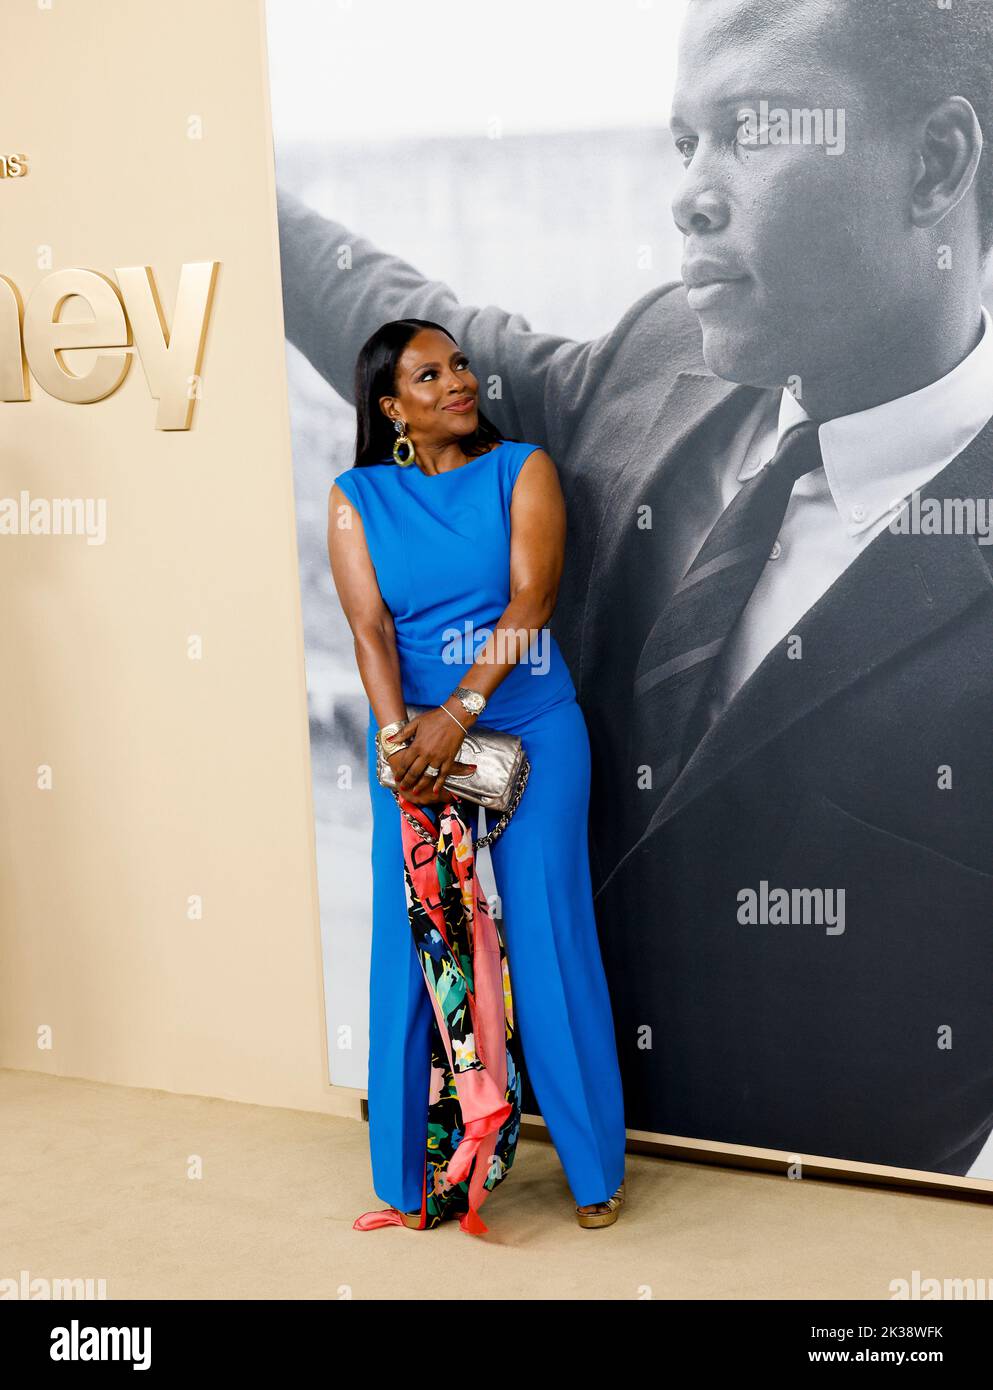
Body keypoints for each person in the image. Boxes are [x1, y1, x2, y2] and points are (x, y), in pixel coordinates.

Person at [281, 0, 993, 1176]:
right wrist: (224, 203)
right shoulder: (664, 356)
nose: (693, 192)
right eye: (684, 141)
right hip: (493, 1191)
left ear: (935, 165)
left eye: (752, 131)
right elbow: (404, 325)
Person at [327, 316, 626, 1227]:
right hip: (414, 753)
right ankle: (407, 1186)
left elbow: (532, 598)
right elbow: (370, 630)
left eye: (459, 363)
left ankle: (592, 1175)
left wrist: (456, 717)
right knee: (409, 947)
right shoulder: (356, 496)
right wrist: (398, 746)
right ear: (392, 409)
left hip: (527, 730)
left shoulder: (520, 469)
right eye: (429, 375)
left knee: (548, 938)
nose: (458, 381)